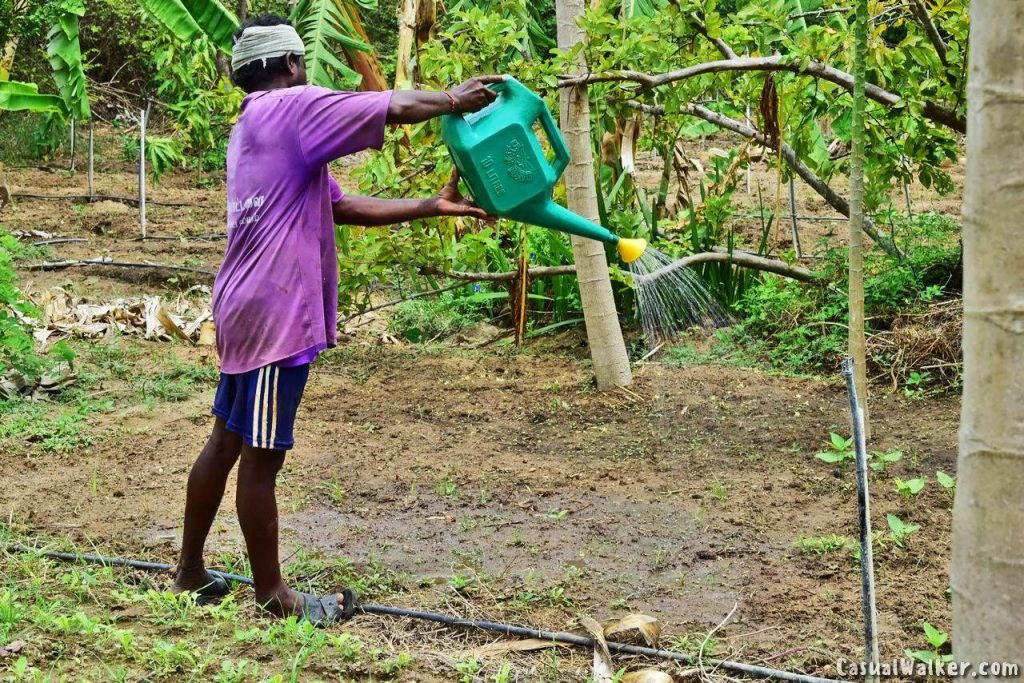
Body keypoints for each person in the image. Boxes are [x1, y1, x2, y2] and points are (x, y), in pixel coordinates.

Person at [171, 13, 503, 625]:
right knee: (261, 456)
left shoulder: (252, 126)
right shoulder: (292, 108)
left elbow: (342, 205)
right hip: (275, 312)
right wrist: (455, 99)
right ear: (293, 65)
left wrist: (429, 205)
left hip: (243, 304)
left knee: (226, 440)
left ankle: (190, 572)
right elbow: (390, 106)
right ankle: (273, 595)